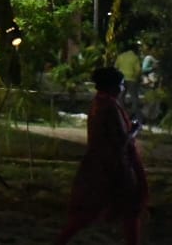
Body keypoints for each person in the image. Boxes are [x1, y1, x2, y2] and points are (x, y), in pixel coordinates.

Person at [54, 66, 149, 245]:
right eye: (121, 85)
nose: (123, 88)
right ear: (113, 86)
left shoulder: (100, 103)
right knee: (127, 209)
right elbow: (121, 140)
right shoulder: (110, 107)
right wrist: (134, 130)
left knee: (90, 212)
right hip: (114, 167)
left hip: (101, 165)